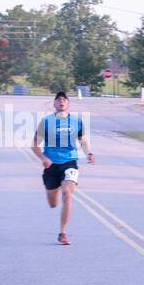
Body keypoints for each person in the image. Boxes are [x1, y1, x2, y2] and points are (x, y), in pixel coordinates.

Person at [32, 91, 94, 245]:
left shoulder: (76, 121)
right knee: (53, 204)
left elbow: (83, 140)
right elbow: (34, 145)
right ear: (54, 104)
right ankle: (57, 186)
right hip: (51, 165)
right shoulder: (46, 122)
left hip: (69, 162)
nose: (61, 101)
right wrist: (44, 158)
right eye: (58, 99)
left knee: (67, 194)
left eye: (64, 100)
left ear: (68, 104)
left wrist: (89, 153)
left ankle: (63, 233)